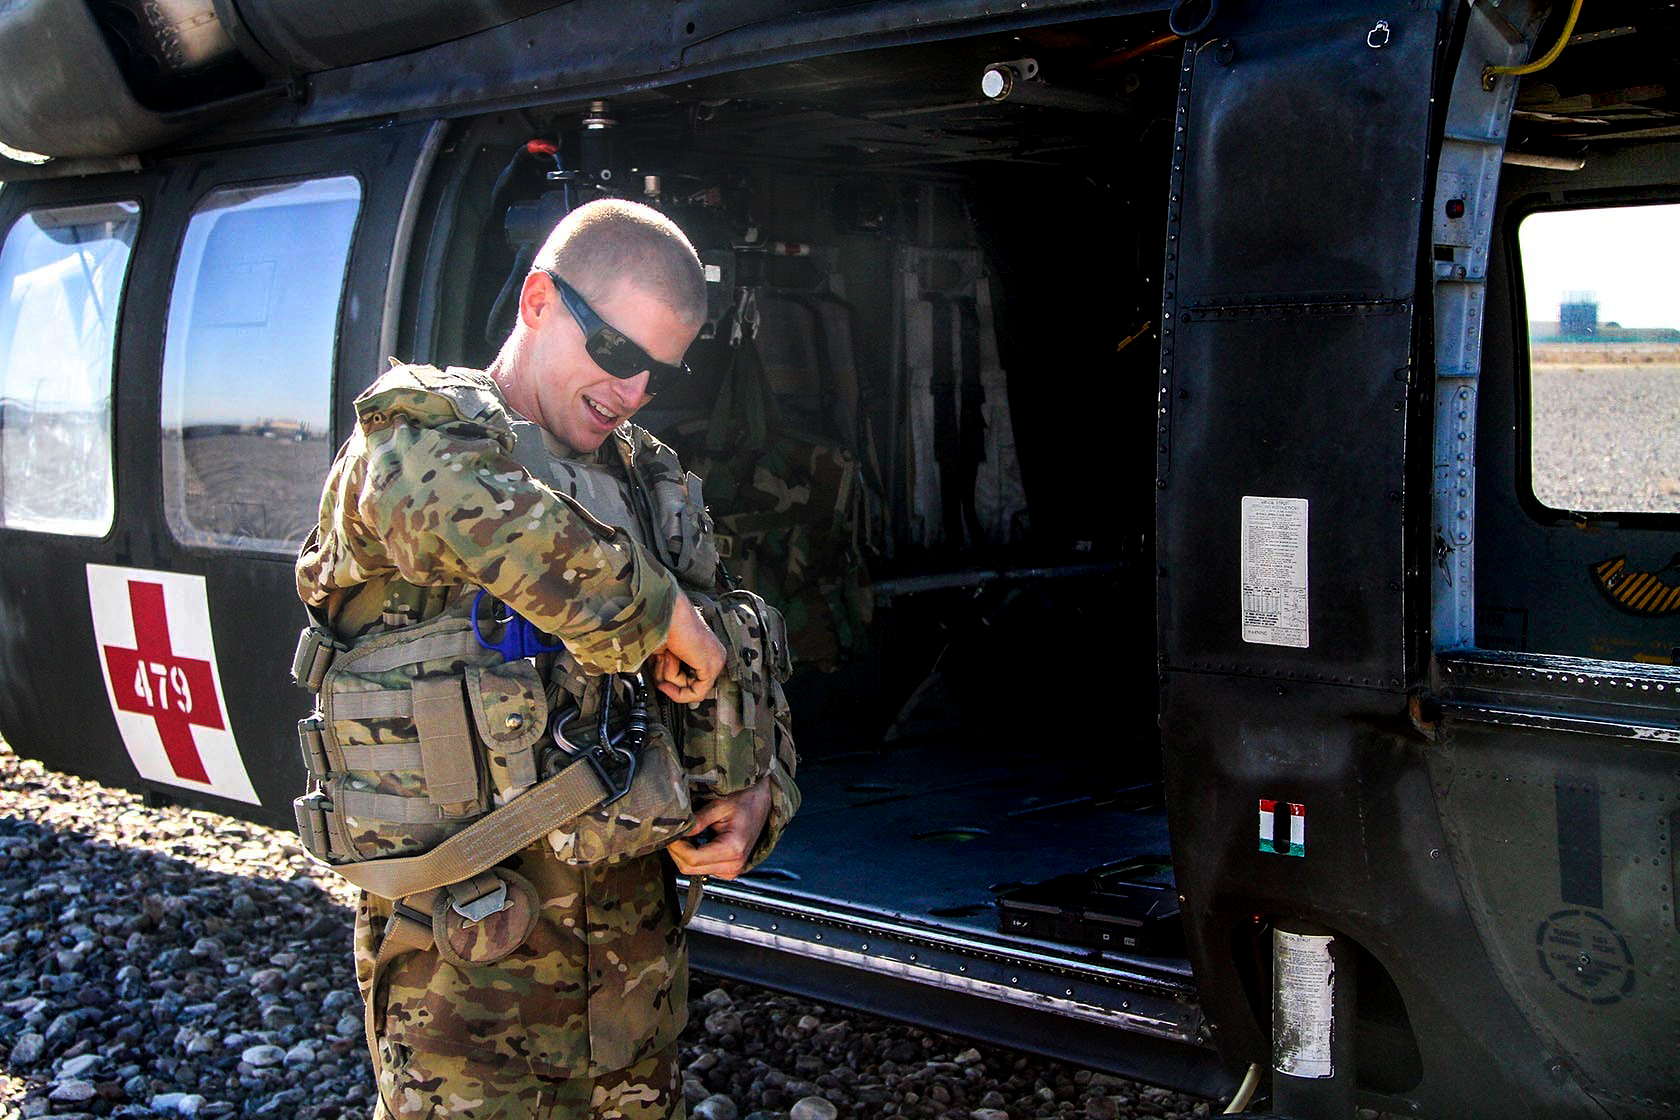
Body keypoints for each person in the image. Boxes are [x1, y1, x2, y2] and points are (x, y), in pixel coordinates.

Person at [293, 198, 799, 1119]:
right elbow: (479, 517)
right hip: (468, 980)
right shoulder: (413, 439)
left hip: (633, 980)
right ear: (537, 301)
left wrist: (763, 787)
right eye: (614, 352)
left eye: (658, 370)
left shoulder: (648, 480)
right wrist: (656, 617)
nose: (633, 391)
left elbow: (738, 644)